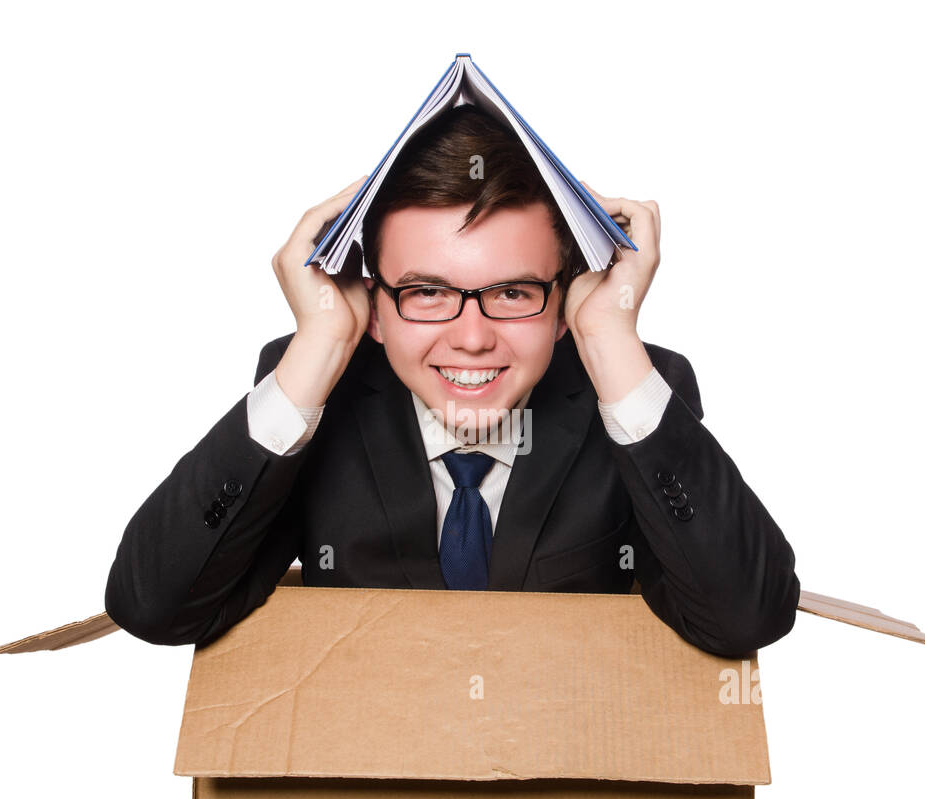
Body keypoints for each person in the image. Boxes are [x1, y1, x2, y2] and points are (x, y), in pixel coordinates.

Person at [104, 105, 800, 658]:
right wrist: (319, 344)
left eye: (513, 292)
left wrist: (610, 335)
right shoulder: (319, 392)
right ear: (374, 305)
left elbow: (745, 615)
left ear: (562, 302)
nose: (471, 336)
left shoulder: (632, 389)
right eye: (428, 292)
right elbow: (157, 607)